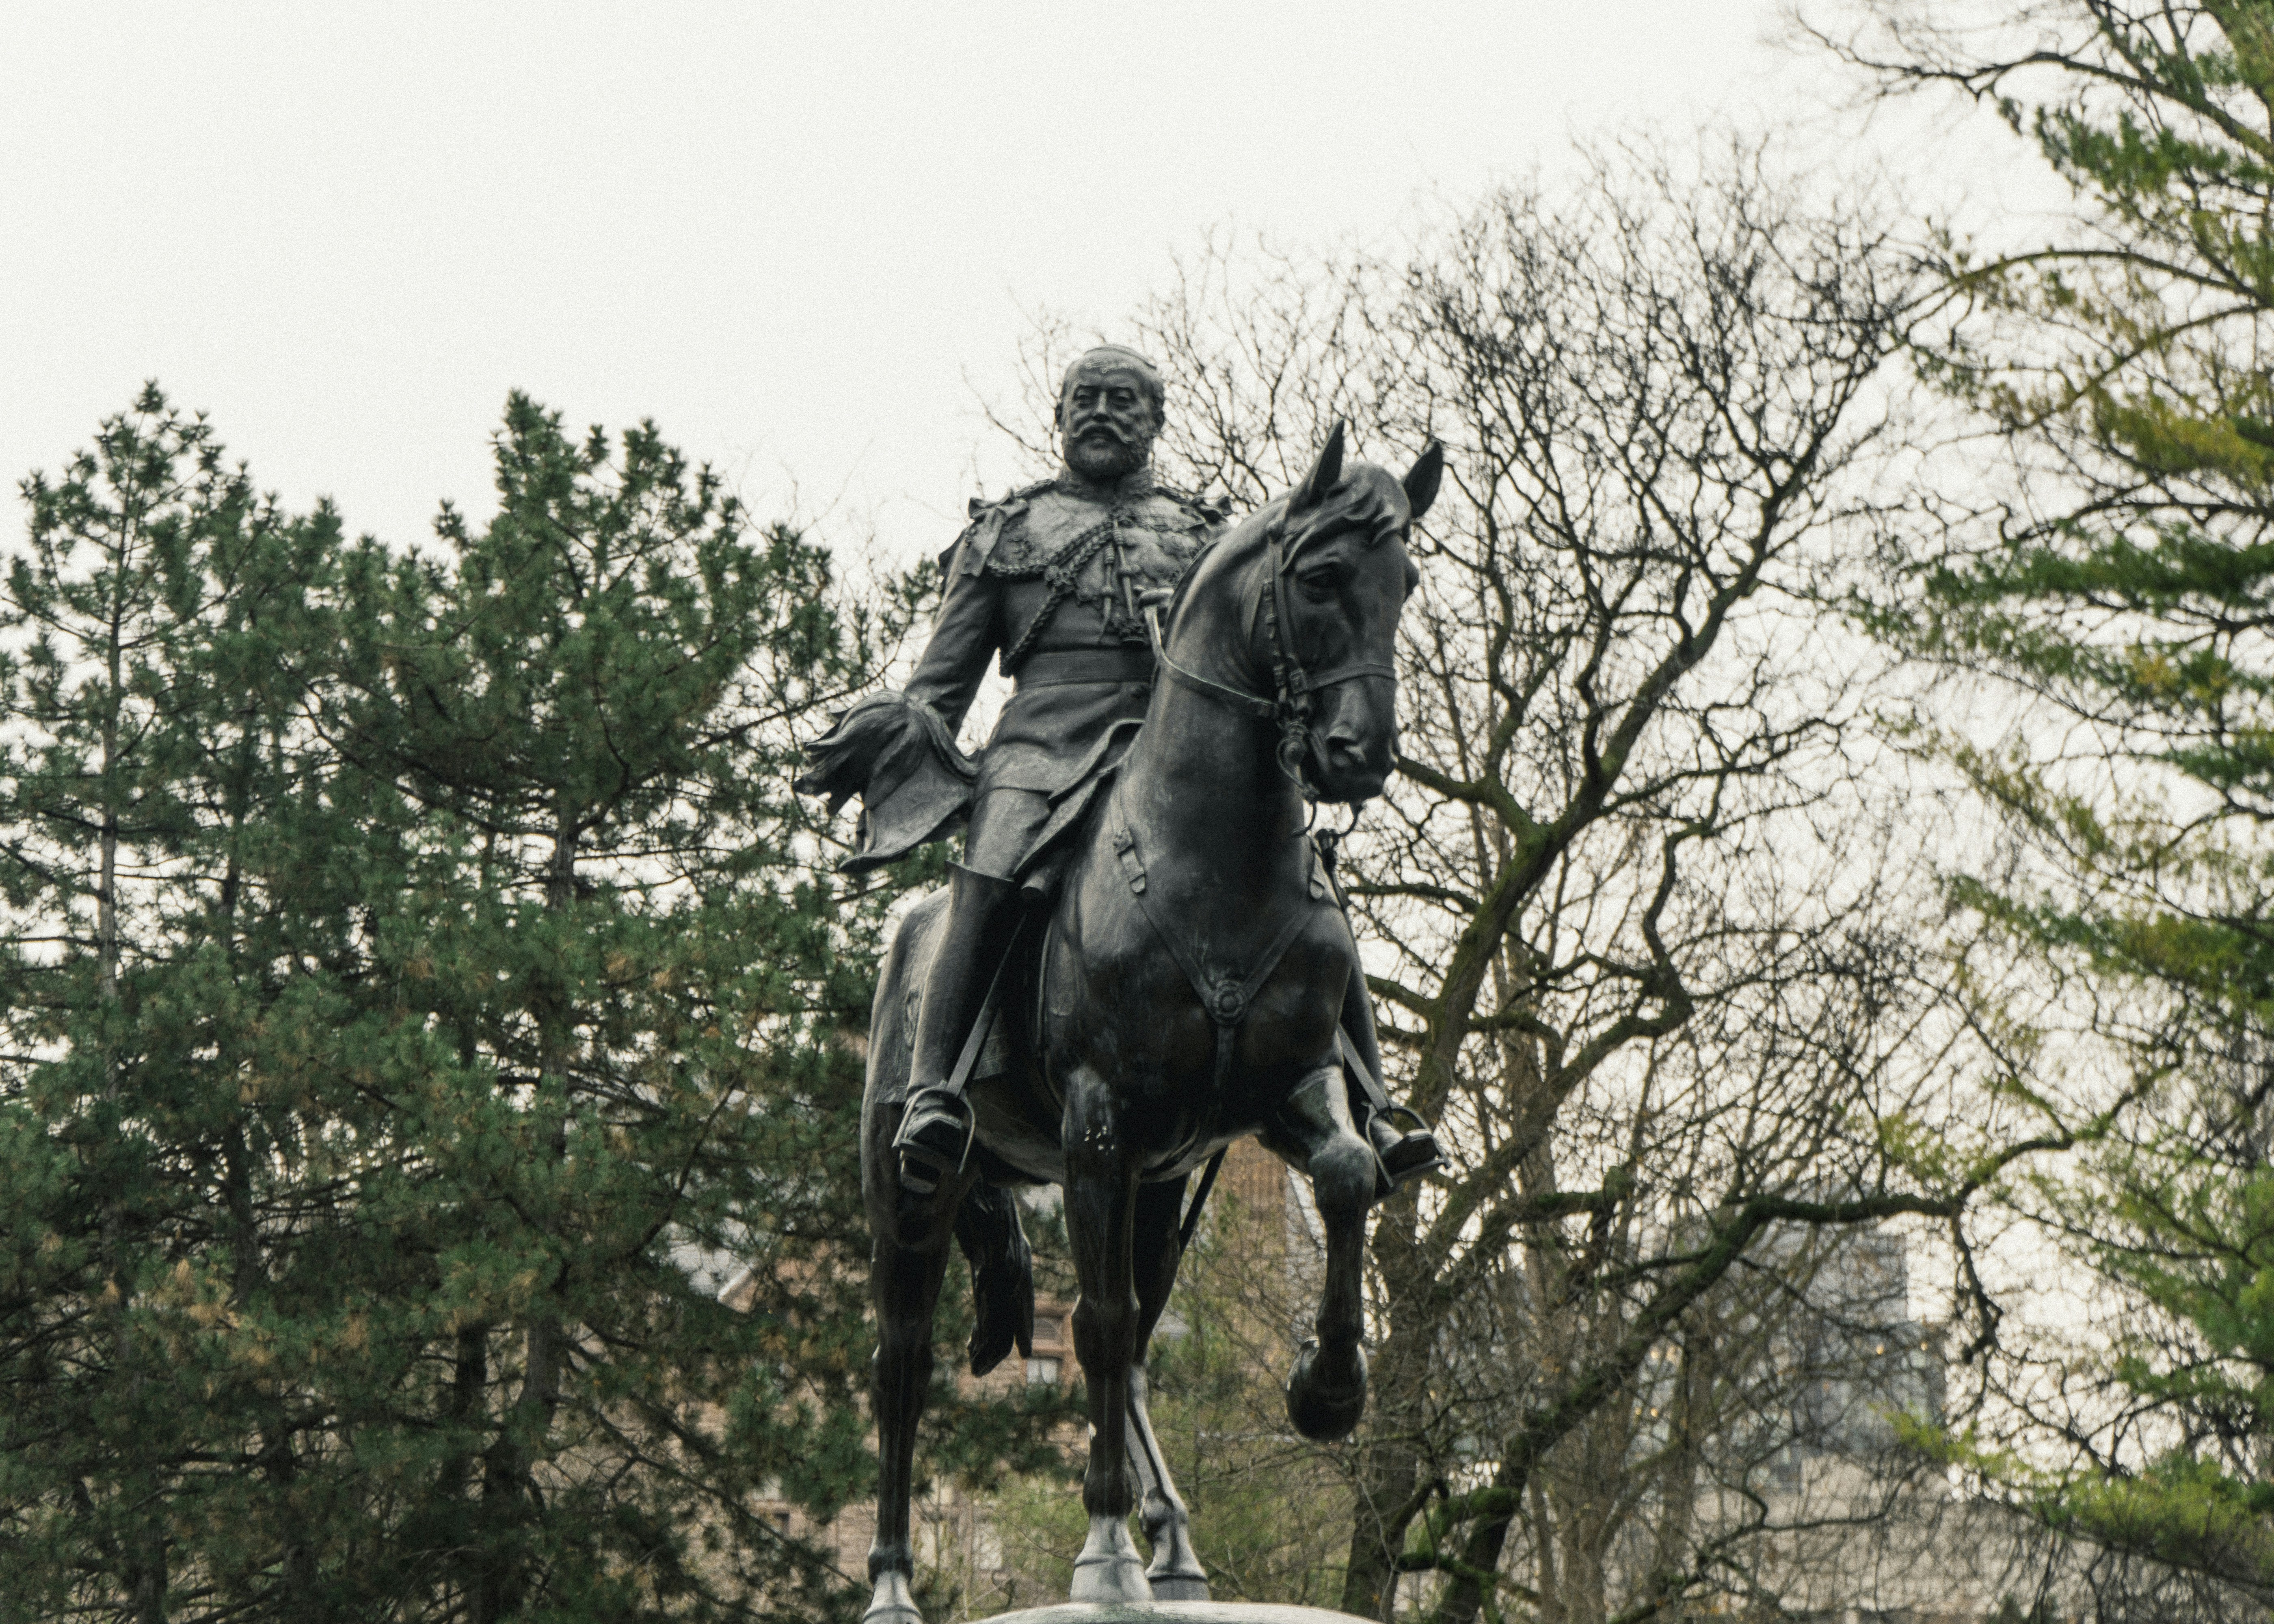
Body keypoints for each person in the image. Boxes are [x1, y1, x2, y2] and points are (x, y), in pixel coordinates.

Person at [888, 345, 1440, 1196]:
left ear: (1156, 421)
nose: (1101, 412)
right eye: (1086, 398)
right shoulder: (1004, 533)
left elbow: (1263, 651)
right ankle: (937, 1090)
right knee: (992, 866)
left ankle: (1372, 1099)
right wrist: (906, 730)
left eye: (1123, 400)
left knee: (1308, 878)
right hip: (1041, 751)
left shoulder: (1205, 535)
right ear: (1060, 414)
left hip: (1173, 756)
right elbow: (941, 683)